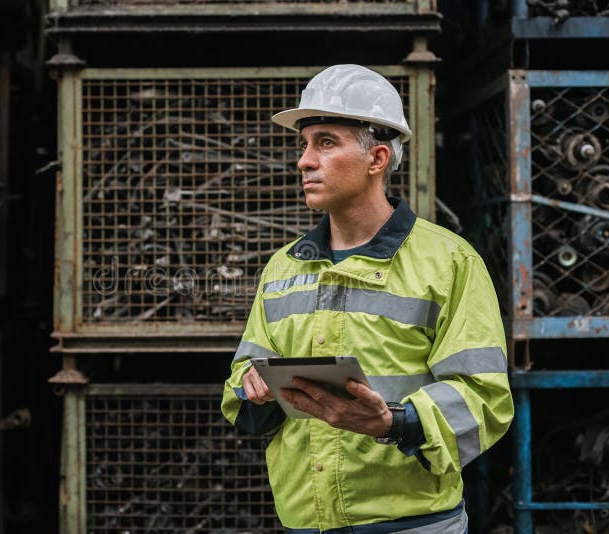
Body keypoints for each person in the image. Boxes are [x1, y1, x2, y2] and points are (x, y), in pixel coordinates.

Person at [220, 64, 514, 533]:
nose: (304, 161)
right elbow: (244, 378)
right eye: (304, 144)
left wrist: (393, 422)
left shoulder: (449, 263)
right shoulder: (284, 268)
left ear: (377, 158)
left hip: (412, 524)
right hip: (305, 523)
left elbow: (484, 397)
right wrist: (253, 390)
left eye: (326, 143)